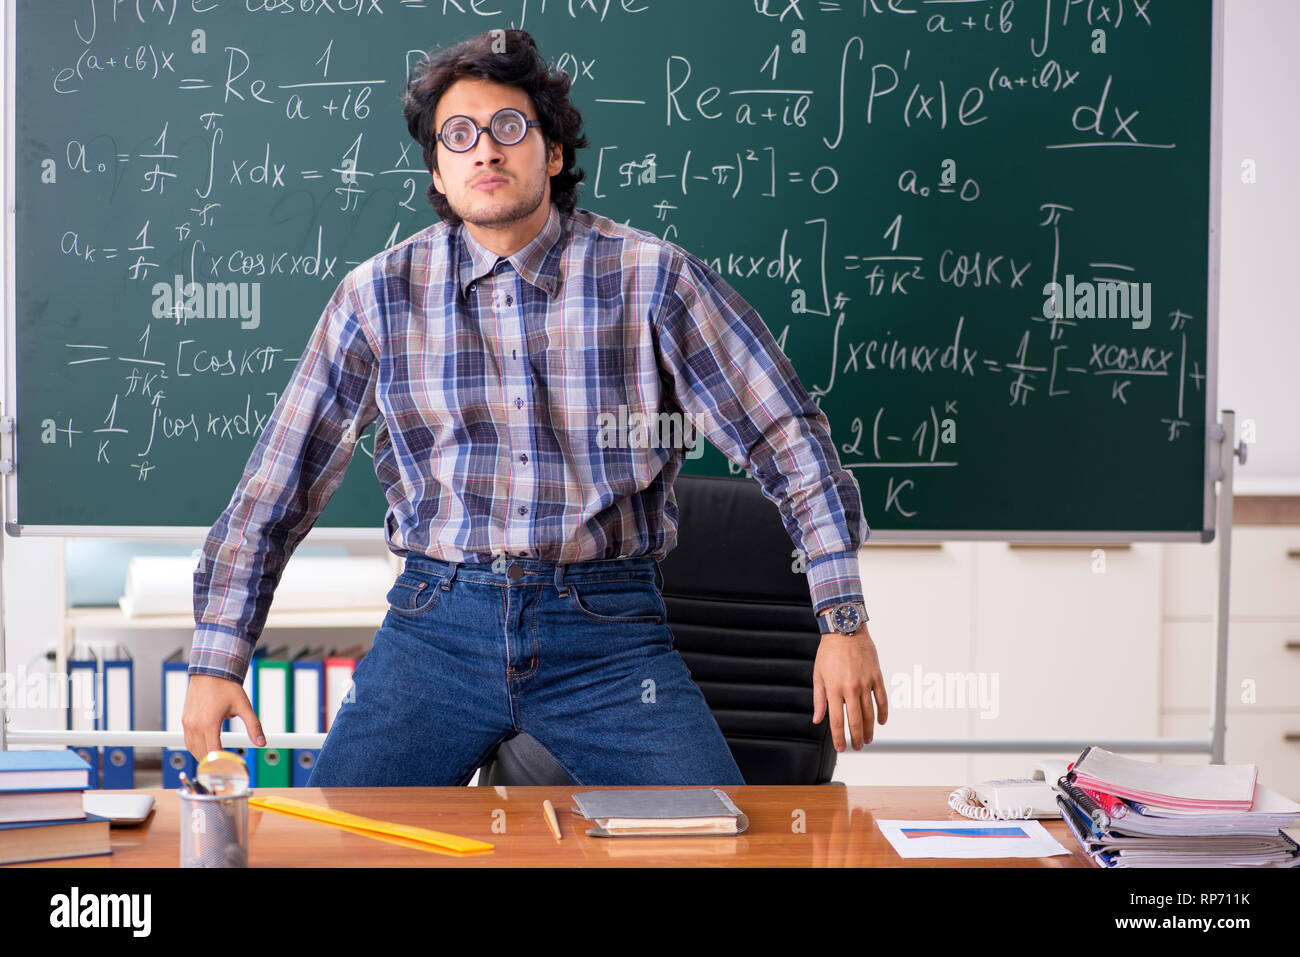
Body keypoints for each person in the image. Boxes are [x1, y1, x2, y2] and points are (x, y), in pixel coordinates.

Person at [182, 28, 888, 786]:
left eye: (508, 127)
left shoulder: (653, 279)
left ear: (552, 153)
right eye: (460, 136)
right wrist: (217, 653)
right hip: (435, 632)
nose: (485, 149)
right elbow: (277, 485)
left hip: (609, 637)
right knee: (337, 845)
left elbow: (787, 436)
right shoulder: (376, 296)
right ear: (440, 173)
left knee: (712, 840)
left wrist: (841, 617)